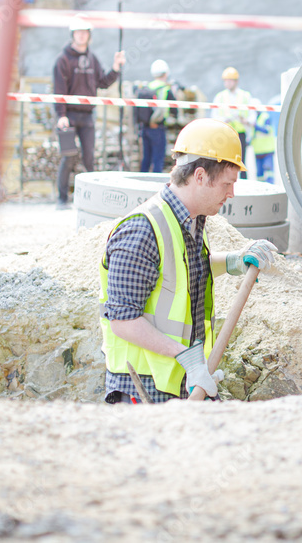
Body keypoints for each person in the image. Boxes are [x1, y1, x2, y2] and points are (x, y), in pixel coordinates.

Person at [99, 118, 277, 403]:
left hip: (183, 379)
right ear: (200, 176)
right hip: (144, 388)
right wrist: (189, 359)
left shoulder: (189, 221)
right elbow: (123, 320)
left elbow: (182, 274)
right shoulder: (141, 231)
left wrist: (234, 261)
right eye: (227, 184)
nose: (232, 194)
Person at [53, 18, 125, 209]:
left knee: (89, 159)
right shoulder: (63, 59)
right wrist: (61, 114)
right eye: (78, 32)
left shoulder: (93, 59)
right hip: (68, 115)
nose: (82, 35)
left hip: (87, 116)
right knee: (68, 157)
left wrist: (116, 68)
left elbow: (102, 82)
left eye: (85, 32)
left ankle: (90, 199)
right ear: (73, 35)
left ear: (89, 35)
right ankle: (61, 200)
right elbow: (58, 89)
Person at [211, 66, 260, 178]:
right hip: (225, 134)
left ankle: (243, 183)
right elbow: (214, 116)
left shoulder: (245, 96)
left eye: (230, 80)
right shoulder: (220, 97)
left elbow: (252, 116)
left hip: (240, 133)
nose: (227, 83)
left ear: (236, 81)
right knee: (224, 161)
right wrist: (225, 120)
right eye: (225, 81)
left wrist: (245, 120)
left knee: (241, 162)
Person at [137, 59, 176, 173]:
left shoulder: (147, 87)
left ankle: (140, 184)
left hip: (145, 127)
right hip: (158, 128)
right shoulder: (166, 88)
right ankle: (155, 187)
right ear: (166, 73)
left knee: (146, 159)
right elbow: (174, 108)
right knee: (158, 160)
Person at [251, 105, 277, 184]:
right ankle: (261, 190)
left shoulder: (265, 117)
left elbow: (267, 130)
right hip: (258, 151)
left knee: (269, 171)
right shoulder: (253, 119)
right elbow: (253, 135)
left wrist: (255, 126)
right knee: (259, 175)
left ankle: (271, 187)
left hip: (267, 150)